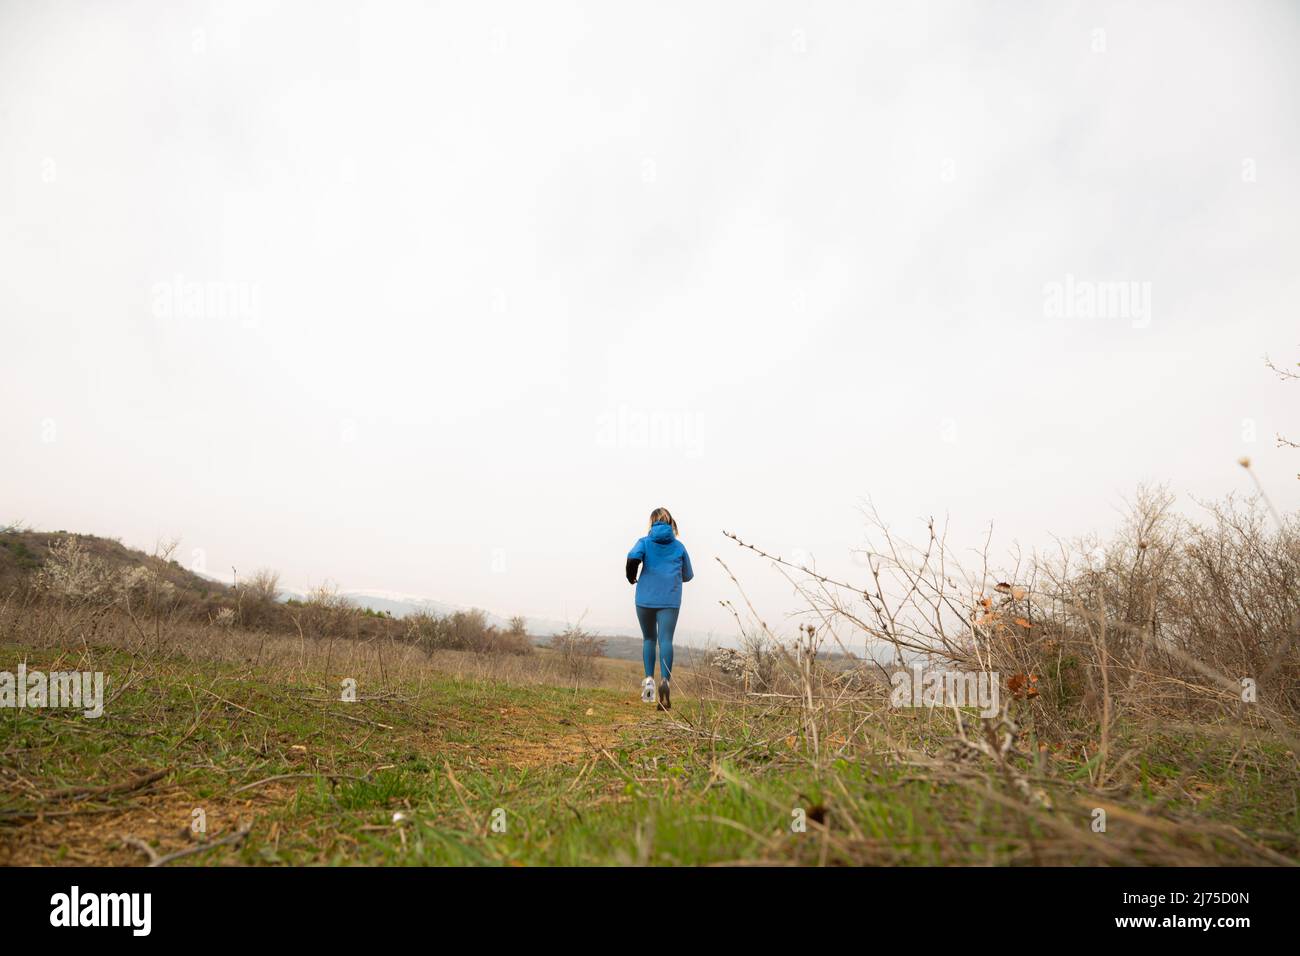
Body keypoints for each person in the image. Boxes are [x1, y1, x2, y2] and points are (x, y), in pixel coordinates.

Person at [625, 507, 693, 710]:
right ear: (671, 523)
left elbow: (632, 557)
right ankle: (665, 680)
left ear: (652, 522)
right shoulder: (679, 547)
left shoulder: (644, 542)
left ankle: (648, 681)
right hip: (669, 600)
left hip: (644, 599)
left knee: (649, 639)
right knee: (665, 640)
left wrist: (631, 575)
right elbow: (688, 576)